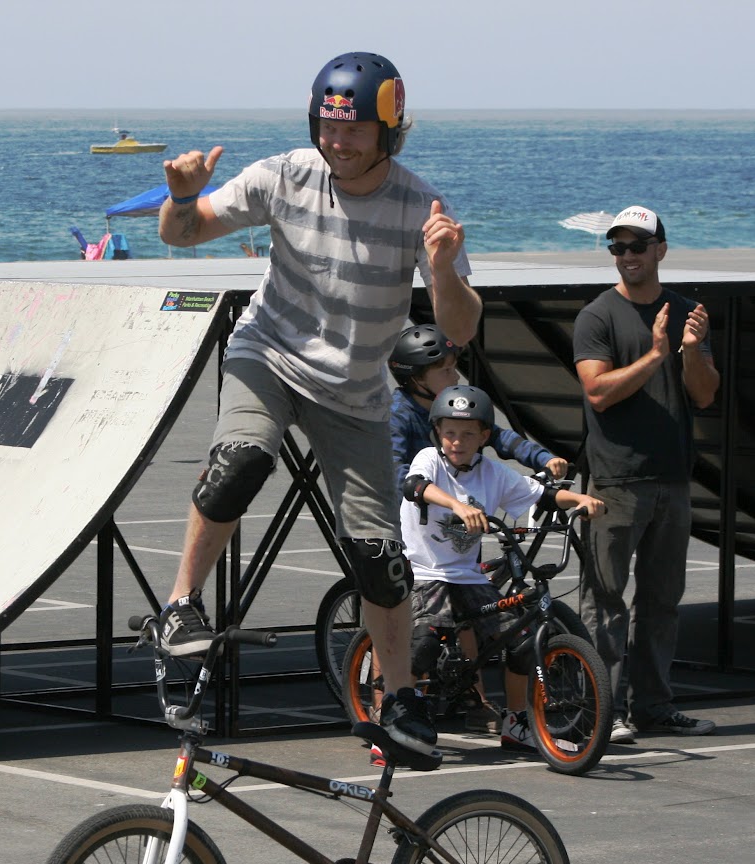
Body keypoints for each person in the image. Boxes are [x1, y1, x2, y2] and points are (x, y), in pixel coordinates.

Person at [155, 52, 481, 761]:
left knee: (378, 557)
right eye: (330, 128)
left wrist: (447, 265)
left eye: (357, 131)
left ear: (390, 132)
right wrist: (181, 198)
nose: (340, 143)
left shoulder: (419, 206)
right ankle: (179, 608)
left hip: (356, 392)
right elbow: (180, 234)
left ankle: (400, 696)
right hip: (267, 355)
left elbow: (458, 329)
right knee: (238, 464)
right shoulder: (283, 176)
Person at [573, 205, 721, 741]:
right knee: (606, 602)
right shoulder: (597, 317)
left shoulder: (688, 312)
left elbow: (704, 394)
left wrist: (687, 352)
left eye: (638, 245)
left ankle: (654, 706)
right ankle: (604, 712)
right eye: (618, 247)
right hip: (614, 482)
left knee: (662, 602)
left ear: (660, 249)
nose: (628, 256)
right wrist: (657, 354)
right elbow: (597, 392)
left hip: (672, 481)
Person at [399, 385, 604, 751]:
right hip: (427, 573)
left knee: (522, 642)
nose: (456, 441)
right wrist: (459, 507)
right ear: (437, 433)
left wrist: (581, 499)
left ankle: (515, 722)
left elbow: (544, 495)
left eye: (466, 434)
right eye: (449, 432)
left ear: (484, 437)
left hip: (468, 577)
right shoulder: (429, 459)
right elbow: (415, 486)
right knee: (424, 645)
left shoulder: (492, 473)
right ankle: (396, 721)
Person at [388, 323, 567, 483]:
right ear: (417, 379)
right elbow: (392, 468)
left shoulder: (451, 404)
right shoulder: (396, 416)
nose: (456, 377)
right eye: (446, 371)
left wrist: (543, 458)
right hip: (414, 512)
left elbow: (499, 437)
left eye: (455, 368)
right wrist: (423, 492)